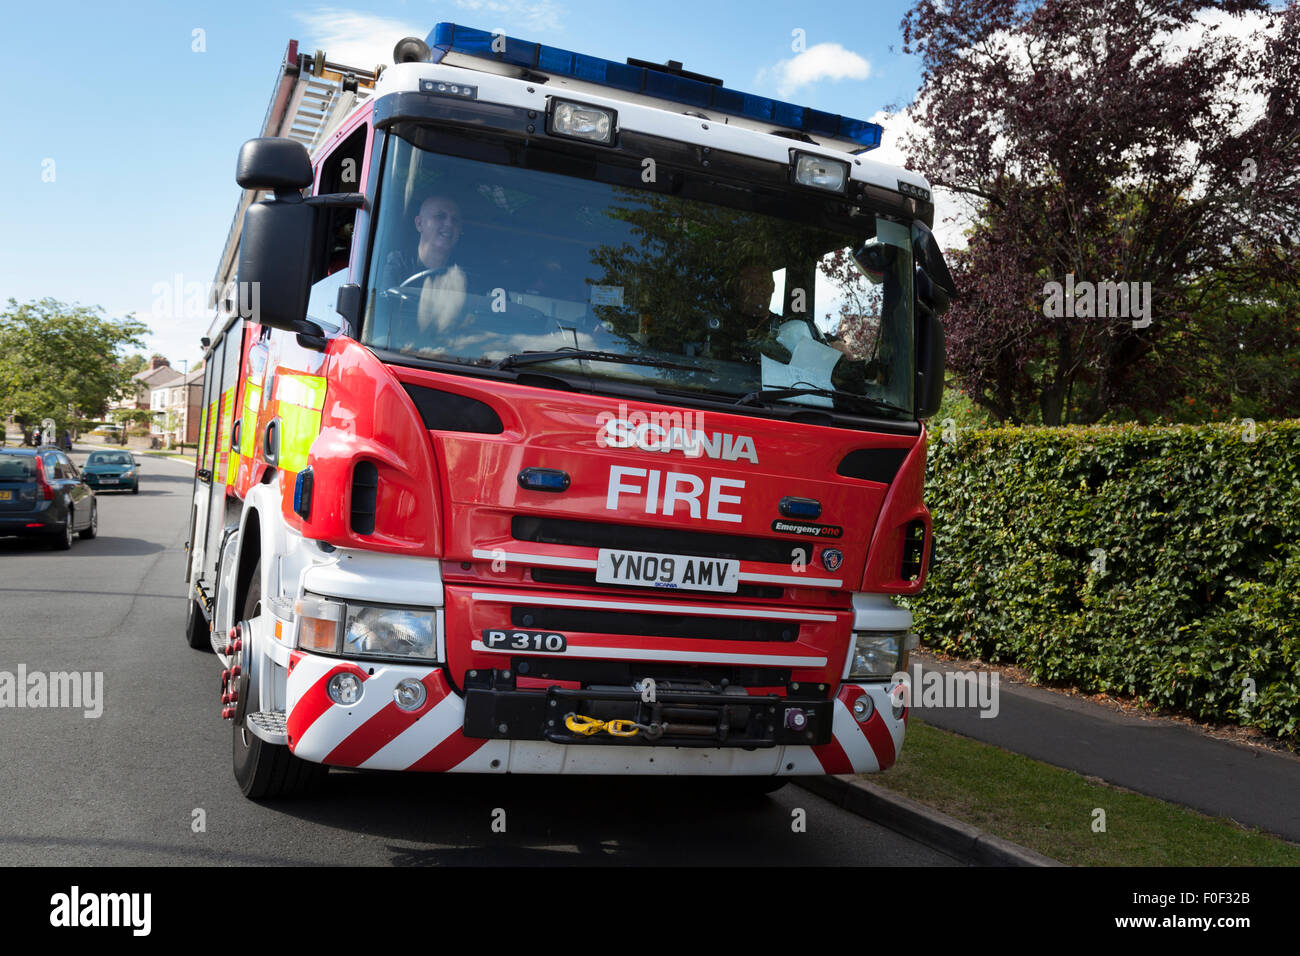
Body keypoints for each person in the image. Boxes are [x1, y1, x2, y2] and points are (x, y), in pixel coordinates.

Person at [381, 195, 469, 338]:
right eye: (440, 216)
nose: (449, 224)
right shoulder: (396, 265)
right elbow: (382, 319)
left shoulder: (464, 273)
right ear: (419, 224)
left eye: (455, 220)